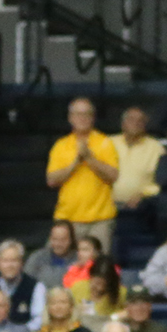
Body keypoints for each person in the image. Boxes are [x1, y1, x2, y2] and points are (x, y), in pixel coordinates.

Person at [47, 96, 120, 253]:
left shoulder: (105, 143)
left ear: (93, 117)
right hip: (67, 219)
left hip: (100, 220)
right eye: (78, 114)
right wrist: (75, 163)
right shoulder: (61, 145)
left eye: (87, 114)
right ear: (70, 118)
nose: (82, 118)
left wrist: (89, 158)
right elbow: (52, 180)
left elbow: (113, 176)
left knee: (97, 264)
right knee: (59, 262)